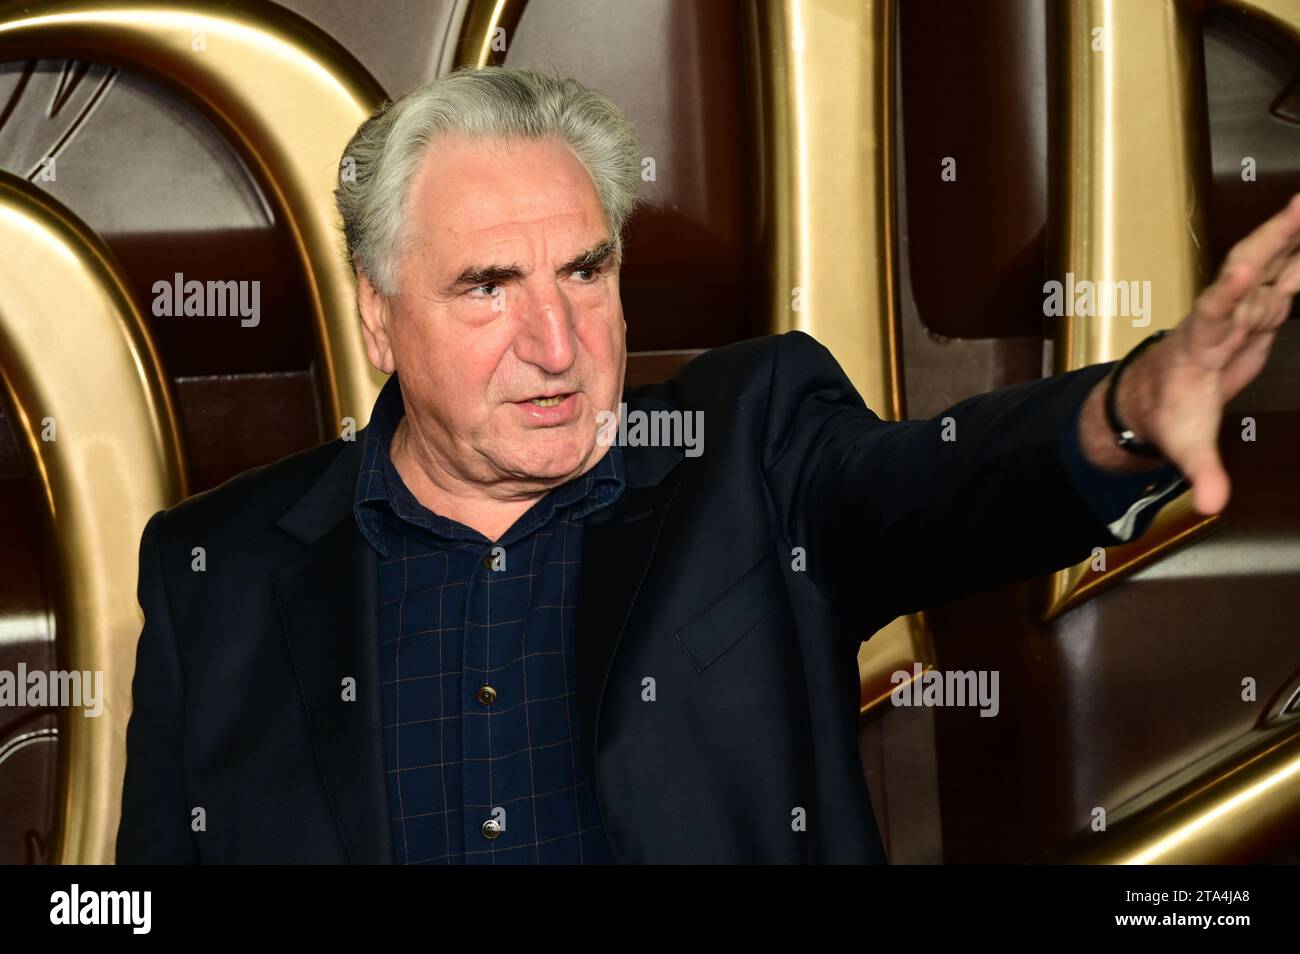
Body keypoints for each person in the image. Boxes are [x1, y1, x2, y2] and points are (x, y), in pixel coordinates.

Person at [116, 66, 1300, 864]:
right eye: (488, 287)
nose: (556, 343)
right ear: (377, 319)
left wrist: (1126, 409)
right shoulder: (212, 572)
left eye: (585, 272)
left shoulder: (749, 454)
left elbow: (944, 484)